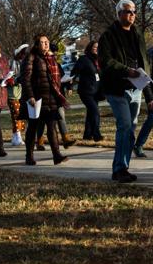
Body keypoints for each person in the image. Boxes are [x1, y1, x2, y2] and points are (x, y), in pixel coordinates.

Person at [98, 0, 153, 183]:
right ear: (119, 14)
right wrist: (126, 71)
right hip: (117, 89)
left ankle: (124, 167)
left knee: (131, 129)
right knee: (124, 125)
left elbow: (144, 62)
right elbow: (106, 62)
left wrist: (148, 93)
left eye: (134, 11)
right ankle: (119, 169)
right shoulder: (108, 36)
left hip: (135, 88)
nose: (132, 14)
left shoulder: (137, 34)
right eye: (128, 11)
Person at [21, 34, 69, 166]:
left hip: (51, 98)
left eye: (47, 41)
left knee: (52, 126)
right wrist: (30, 95)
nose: (46, 44)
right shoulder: (31, 57)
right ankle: (29, 156)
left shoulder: (50, 58)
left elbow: (55, 77)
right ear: (36, 45)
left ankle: (56, 155)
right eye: (42, 42)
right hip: (36, 99)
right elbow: (25, 79)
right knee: (33, 127)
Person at [72, 40, 104, 142]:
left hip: (96, 92)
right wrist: (70, 84)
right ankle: (96, 135)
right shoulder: (84, 59)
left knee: (91, 113)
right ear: (90, 48)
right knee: (95, 112)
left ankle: (87, 134)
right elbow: (74, 72)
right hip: (86, 91)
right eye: (94, 47)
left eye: (98, 47)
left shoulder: (99, 60)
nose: (96, 49)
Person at [8, 44, 29, 147]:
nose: (23, 56)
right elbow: (9, 76)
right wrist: (15, 79)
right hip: (13, 93)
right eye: (22, 53)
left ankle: (16, 136)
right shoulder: (12, 63)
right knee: (16, 115)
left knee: (21, 115)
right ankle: (17, 136)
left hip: (22, 93)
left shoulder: (24, 63)